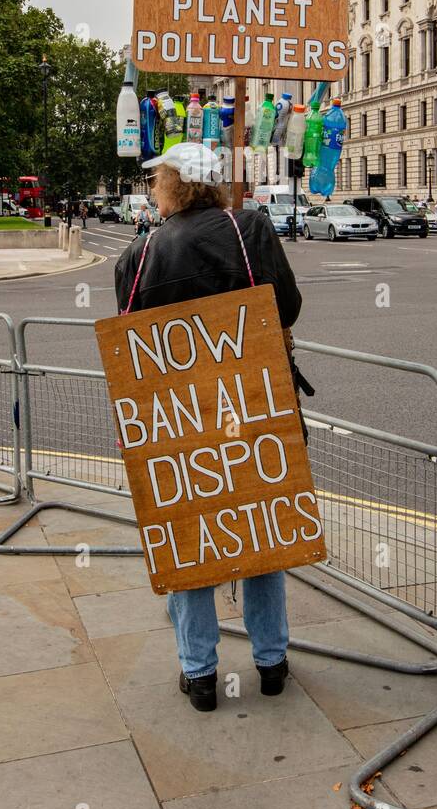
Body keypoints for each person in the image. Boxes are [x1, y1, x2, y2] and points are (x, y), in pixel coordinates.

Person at [114, 142, 302, 714]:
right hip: (252, 404)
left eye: (156, 180)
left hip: (179, 418)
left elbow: (134, 345)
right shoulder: (252, 229)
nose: (151, 189)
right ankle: (271, 662)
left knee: (190, 533)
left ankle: (200, 675)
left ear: (174, 184)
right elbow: (287, 308)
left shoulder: (140, 254)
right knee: (262, 527)